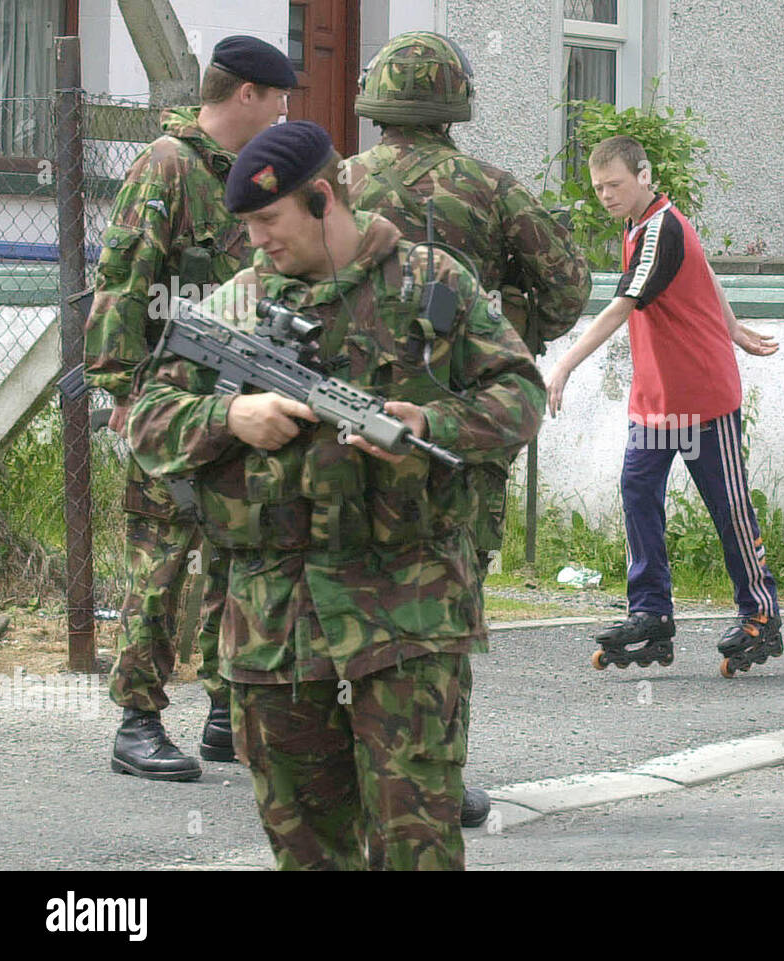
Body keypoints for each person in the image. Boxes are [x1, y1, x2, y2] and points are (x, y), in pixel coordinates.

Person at [126, 121, 545, 869]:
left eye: (268, 220)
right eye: (247, 225)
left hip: (408, 607)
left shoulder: (431, 283)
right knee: (306, 849)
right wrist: (230, 415)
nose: (256, 241)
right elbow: (147, 422)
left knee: (417, 844)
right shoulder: (236, 304)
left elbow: (519, 394)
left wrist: (429, 418)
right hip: (275, 618)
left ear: (322, 198)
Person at [344, 30, 591, 826]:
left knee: (339, 582)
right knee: (447, 602)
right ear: (454, 101)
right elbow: (566, 286)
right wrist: (516, 326)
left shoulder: (336, 182)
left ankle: (342, 770)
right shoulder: (491, 188)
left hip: (346, 420)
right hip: (460, 428)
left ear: (377, 95)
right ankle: (431, 783)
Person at [83, 35, 295, 781]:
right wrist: (123, 391)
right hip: (168, 401)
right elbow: (122, 283)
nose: (283, 112)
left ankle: (220, 712)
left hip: (234, 399)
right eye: (278, 99)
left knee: (231, 558)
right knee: (161, 560)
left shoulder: (250, 178)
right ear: (246, 96)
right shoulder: (166, 168)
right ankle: (137, 721)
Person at [545, 135, 782, 678]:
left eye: (616, 185)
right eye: (599, 187)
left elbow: (621, 306)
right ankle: (650, 613)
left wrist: (564, 365)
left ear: (644, 176)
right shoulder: (640, 225)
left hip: (702, 399)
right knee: (638, 493)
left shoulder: (661, 227)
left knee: (728, 507)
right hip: (656, 403)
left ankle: (760, 614)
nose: (605, 195)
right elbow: (707, 275)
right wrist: (736, 329)